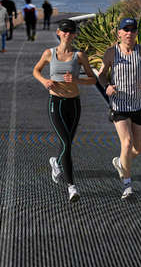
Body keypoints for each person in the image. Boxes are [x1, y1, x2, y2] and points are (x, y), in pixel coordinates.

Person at [32, 19, 98, 202]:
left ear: (75, 34)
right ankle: (72, 187)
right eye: (64, 31)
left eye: (71, 31)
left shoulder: (80, 56)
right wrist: (45, 81)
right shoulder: (49, 53)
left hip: (74, 104)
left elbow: (93, 80)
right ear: (58, 33)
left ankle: (55, 162)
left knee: (67, 141)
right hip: (56, 103)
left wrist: (77, 81)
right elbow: (36, 70)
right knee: (67, 144)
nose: (68, 34)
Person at [98, 16, 141, 200]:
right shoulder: (111, 53)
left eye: (133, 30)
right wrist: (107, 86)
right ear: (119, 32)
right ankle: (127, 185)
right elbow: (101, 75)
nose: (129, 33)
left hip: (138, 104)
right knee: (126, 143)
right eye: (126, 30)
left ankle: (120, 162)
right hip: (119, 105)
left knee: (137, 149)